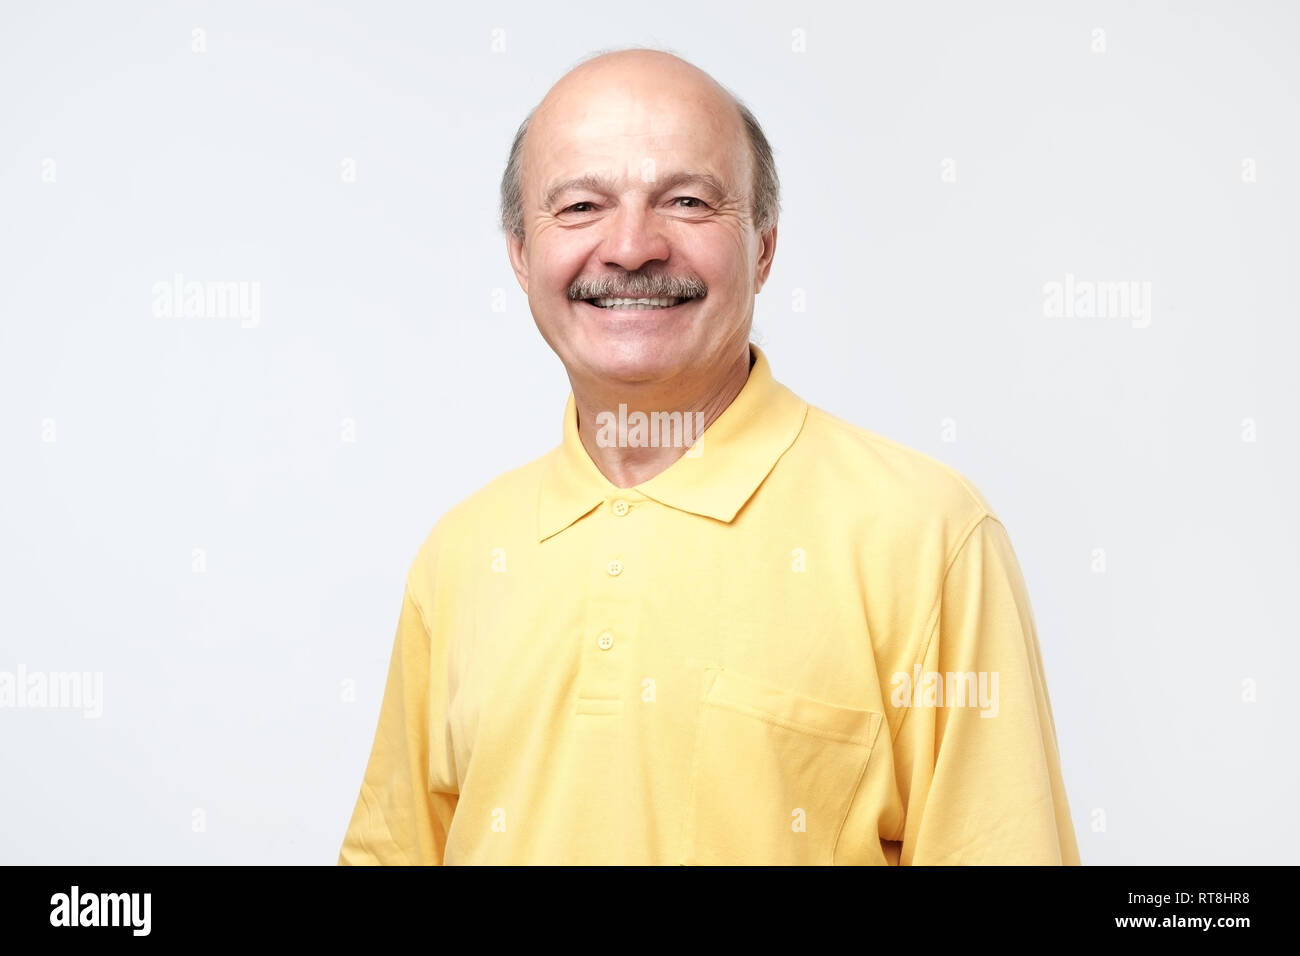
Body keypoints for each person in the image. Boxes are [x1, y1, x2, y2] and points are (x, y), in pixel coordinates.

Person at [337, 46, 1080, 865]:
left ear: (762, 246)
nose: (630, 247)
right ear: (520, 252)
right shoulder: (463, 555)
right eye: (581, 205)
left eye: (687, 201)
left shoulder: (927, 538)